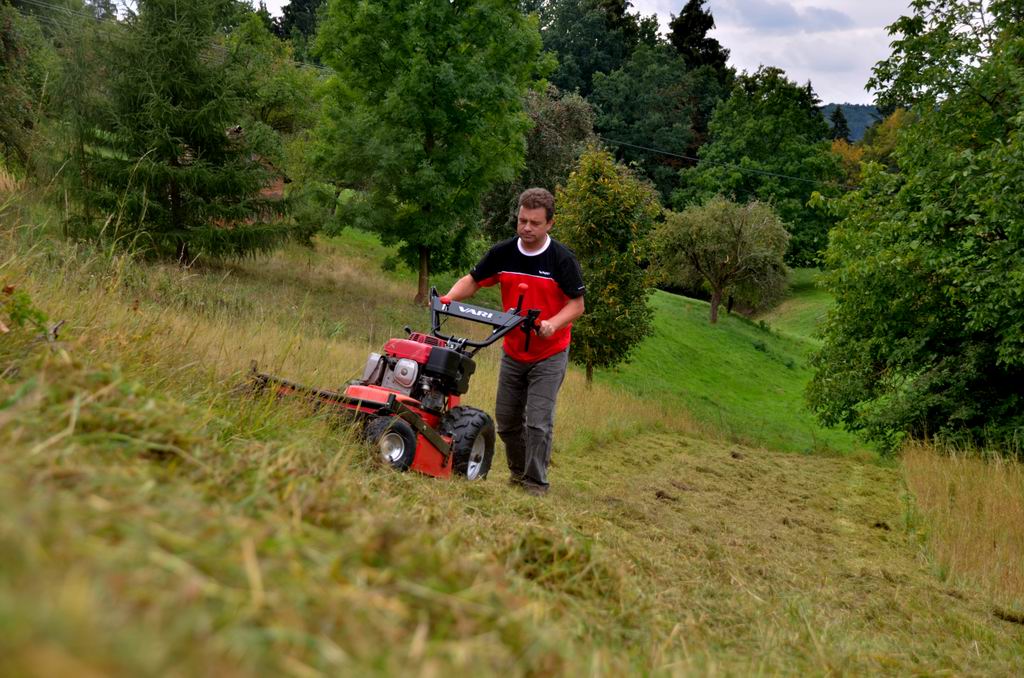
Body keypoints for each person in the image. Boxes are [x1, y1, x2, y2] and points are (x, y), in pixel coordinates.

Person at [445, 188, 585, 495]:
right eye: (522, 220)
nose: (526, 228)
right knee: (507, 421)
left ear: (550, 223)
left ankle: (535, 484)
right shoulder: (504, 252)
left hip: (549, 352)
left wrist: (552, 323)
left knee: (537, 422)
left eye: (535, 223)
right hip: (513, 350)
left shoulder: (562, 259)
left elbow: (577, 305)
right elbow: (473, 280)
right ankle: (519, 472)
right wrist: (448, 299)